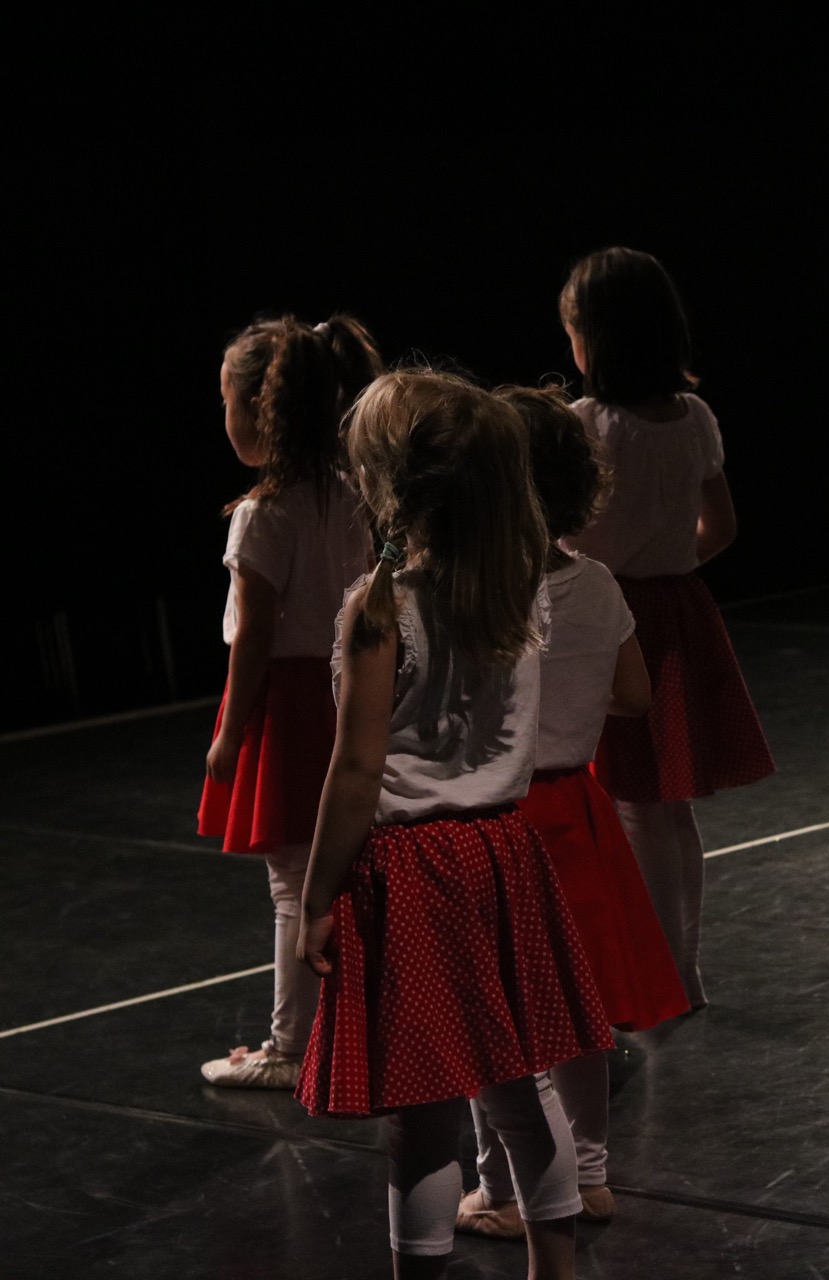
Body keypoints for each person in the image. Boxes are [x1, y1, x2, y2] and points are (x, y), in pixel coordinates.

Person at [296, 371, 612, 1279]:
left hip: (410, 868)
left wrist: (318, 895)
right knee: (520, 1083)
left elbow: (357, 771)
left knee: (423, 1111)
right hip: (500, 853)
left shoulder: (382, 606)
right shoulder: (521, 589)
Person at [458, 386, 692, 1241]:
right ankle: (589, 1174)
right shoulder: (593, 581)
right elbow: (633, 694)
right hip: (578, 808)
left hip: (501, 815)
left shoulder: (474, 592)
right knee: (581, 1008)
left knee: (504, 1014)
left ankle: (509, 1189)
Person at [561, 247, 775, 1010]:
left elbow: (567, 532)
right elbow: (721, 523)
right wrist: (673, 562)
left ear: (595, 337)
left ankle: (662, 975)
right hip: (678, 609)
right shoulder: (695, 417)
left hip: (609, 619)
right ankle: (682, 968)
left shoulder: (585, 424)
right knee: (666, 808)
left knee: (636, 808)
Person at [197, 313, 381, 1088]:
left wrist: (230, 736)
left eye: (226, 403)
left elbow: (257, 639)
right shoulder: (352, 495)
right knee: (342, 868)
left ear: (255, 408)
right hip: (349, 688)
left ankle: (288, 1046)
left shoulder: (262, 515)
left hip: (291, 704)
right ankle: (347, 1024)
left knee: (292, 881)